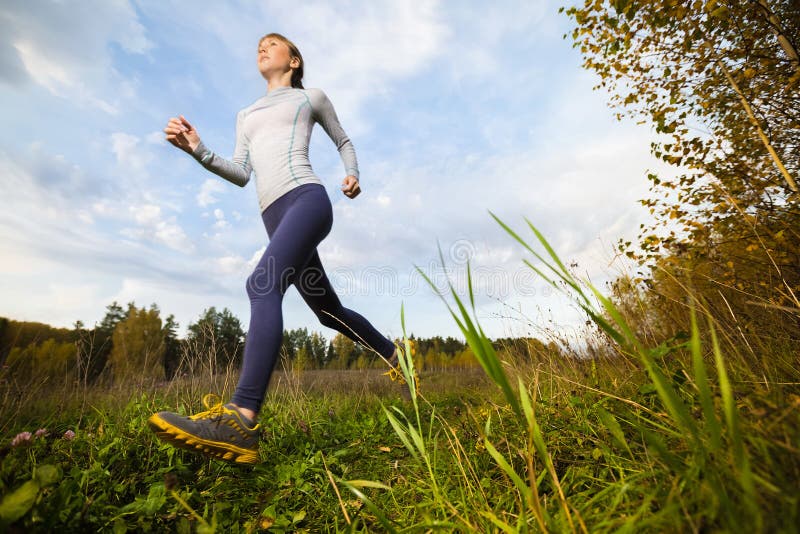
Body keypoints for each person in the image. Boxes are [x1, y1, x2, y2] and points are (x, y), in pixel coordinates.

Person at [147, 33, 410, 464]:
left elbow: (343, 140)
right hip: (275, 217)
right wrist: (198, 150)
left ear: (294, 59)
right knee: (327, 312)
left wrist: (352, 174)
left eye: (272, 44)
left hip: (307, 201)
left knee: (261, 285)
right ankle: (395, 354)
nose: (261, 49)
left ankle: (242, 417)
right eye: (257, 47)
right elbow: (241, 172)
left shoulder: (310, 99)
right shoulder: (245, 115)